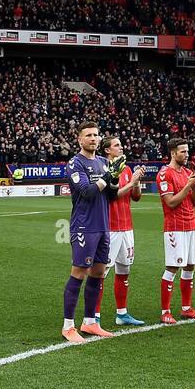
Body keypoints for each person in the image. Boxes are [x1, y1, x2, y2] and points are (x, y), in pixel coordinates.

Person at [60, 121, 124, 343]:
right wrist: (108, 178)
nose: (94, 138)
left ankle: (89, 322)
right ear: (79, 140)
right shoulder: (75, 163)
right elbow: (87, 192)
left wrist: (114, 179)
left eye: (96, 135)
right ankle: (68, 326)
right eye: (88, 135)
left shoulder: (104, 162)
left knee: (98, 273)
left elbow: (112, 196)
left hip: (103, 225)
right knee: (79, 273)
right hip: (84, 226)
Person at [157, 137, 195, 324]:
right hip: (174, 227)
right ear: (173, 153)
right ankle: (165, 311)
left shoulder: (188, 172)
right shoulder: (164, 174)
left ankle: (186, 308)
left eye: (187, 151)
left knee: (190, 266)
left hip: (191, 225)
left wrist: (194, 187)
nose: (186, 155)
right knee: (172, 267)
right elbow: (170, 203)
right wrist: (188, 186)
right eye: (183, 152)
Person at [97, 135, 146, 327]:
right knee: (101, 272)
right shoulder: (103, 169)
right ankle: (95, 315)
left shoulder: (126, 169)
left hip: (127, 227)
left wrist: (137, 181)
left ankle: (122, 314)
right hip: (110, 227)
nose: (121, 147)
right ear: (107, 150)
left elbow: (136, 197)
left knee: (124, 270)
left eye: (121, 144)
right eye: (117, 145)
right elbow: (112, 197)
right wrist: (131, 182)